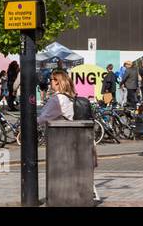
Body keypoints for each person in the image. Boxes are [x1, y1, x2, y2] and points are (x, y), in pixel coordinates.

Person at [39, 69, 100, 203]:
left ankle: (68, 199)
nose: (50, 83)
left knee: (65, 172)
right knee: (78, 171)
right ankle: (89, 196)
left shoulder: (57, 99)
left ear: (57, 82)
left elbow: (42, 118)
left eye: (51, 80)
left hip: (62, 141)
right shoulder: (71, 96)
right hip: (77, 139)